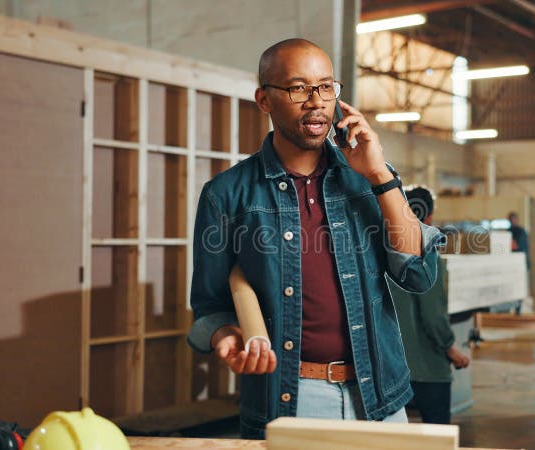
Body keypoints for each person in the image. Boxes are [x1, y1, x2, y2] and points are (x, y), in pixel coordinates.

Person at [187, 38, 444, 439]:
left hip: (379, 394)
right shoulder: (227, 195)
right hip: (291, 398)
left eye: (326, 87)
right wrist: (226, 335)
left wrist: (379, 176)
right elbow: (209, 305)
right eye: (298, 88)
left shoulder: (369, 177)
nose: (316, 102)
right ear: (264, 100)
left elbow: (418, 273)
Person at [390, 186, 470, 424]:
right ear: (429, 216)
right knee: (436, 431)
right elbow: (432, 314)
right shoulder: (426, 250)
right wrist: (451, 349)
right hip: (427, 367)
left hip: (392, 367)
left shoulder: (381, 247)